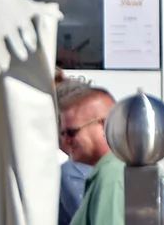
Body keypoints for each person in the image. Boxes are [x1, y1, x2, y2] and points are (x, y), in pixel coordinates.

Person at [57, 81, 114, 225]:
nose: (65, 140)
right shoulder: (136, 164)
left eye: (72, 132)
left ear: (103, 124)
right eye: (62, 133)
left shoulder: (72, 171)